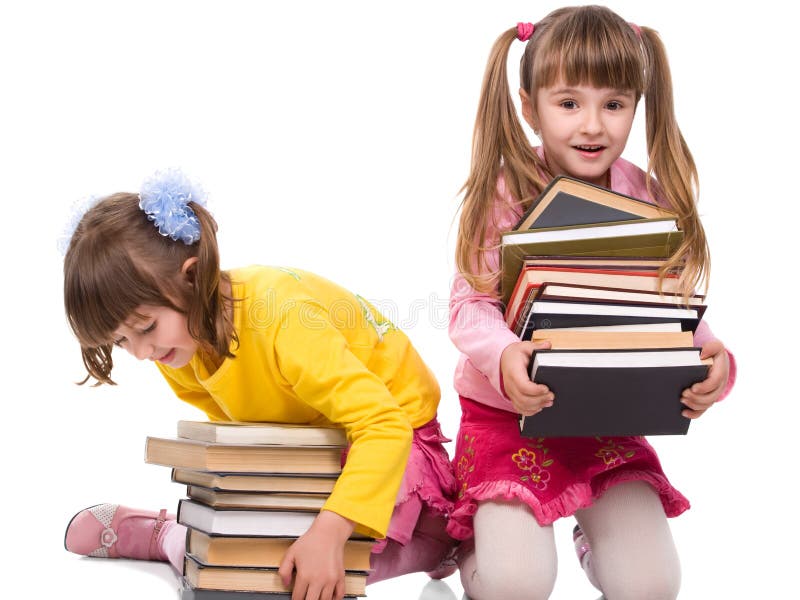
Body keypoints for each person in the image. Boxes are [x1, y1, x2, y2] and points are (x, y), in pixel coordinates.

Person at [448, 6, 737, 600]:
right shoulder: (507, 192)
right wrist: (506, 355)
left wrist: (711, 355)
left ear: (637, 104)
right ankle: (472, 548)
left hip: (605, 413)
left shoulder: (645, 194)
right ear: (530, 107)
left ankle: (590, 540)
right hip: (511, 419)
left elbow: (666, 303)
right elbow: (468, 305)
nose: (594, 125)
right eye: (569, 102)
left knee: (651, 584)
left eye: (614, 104)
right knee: (515, 586)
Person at [60, 169, 457, 600]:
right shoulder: (179, 344)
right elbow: (249, 446)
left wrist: (328, 533)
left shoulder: (282, 322)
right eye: (122, 341)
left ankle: (173, 540)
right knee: (263, 559)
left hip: (398, 431)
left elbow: (384, 426)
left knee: (325, 568)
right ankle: (176, 538)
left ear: (191, 277)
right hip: (313, 443)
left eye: (146, 327)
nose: (140, 353)